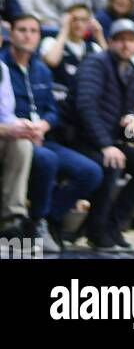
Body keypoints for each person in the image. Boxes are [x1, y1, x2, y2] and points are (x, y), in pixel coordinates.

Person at [2, 14, 102, 252]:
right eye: (22, 30)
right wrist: (22, 128)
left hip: (43, 136)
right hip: (13, 136)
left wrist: (44, 125)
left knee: (91, 172)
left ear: (39, 36)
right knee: (47, 160)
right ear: (11, 34)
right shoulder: (2, 66)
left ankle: (45, 219)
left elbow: (52, 110)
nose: (28, 35)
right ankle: (35, 222)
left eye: (33, 31)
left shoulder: (42, 70)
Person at [69, 18, 134, 251]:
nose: (126, 45)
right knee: (111, 162)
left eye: (131, 40)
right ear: (110, 42)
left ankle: (112, 226)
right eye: (120, 40)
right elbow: (85, 106)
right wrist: (106, 144)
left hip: (106, 140)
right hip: (78, 137)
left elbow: (128, 115)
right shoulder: (95, 63)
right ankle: (96, 231)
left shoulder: (132, 73)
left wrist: (129, 129)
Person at [0, 56, 33, 240]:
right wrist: (5, 129)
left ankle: (12, 220)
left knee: (22, 143)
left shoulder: (1, 69)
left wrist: (23, 127)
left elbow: (5, 114)